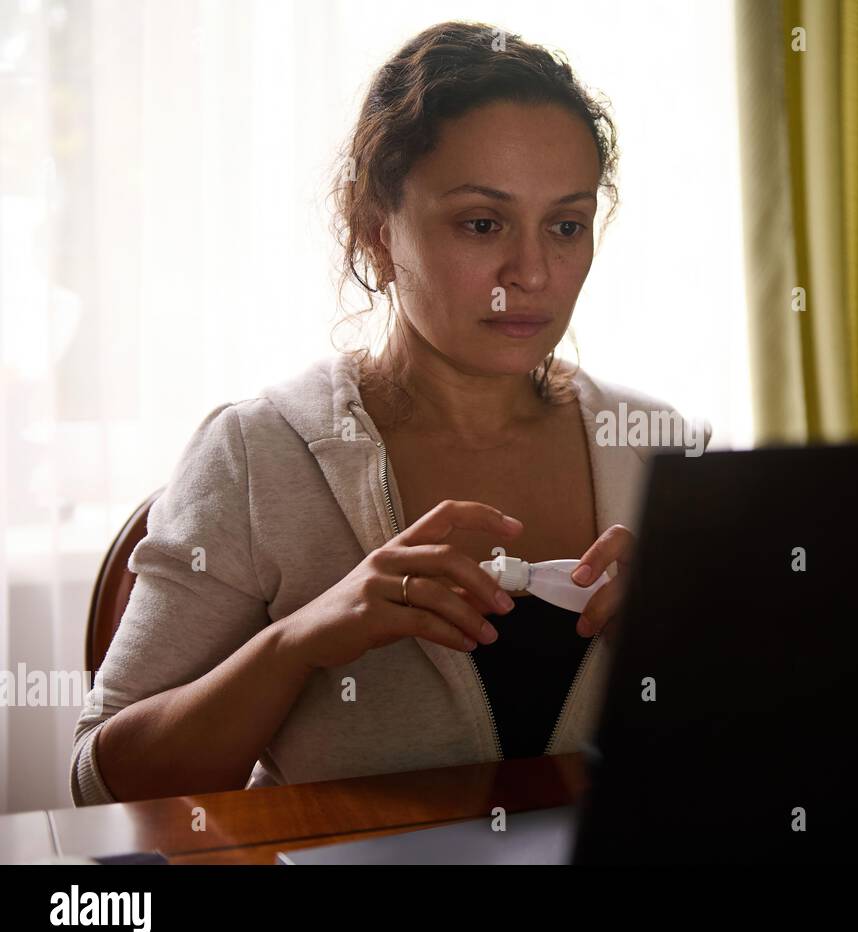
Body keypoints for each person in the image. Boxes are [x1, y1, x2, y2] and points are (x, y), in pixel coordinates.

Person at [69, 21, 708, 806]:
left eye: (566, 226)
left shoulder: (667, 452)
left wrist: (703, 649)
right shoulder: (258, 454)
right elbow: (104, 785)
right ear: (378, 234)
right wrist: (301, 639)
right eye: (482, 223)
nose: (532, 272)